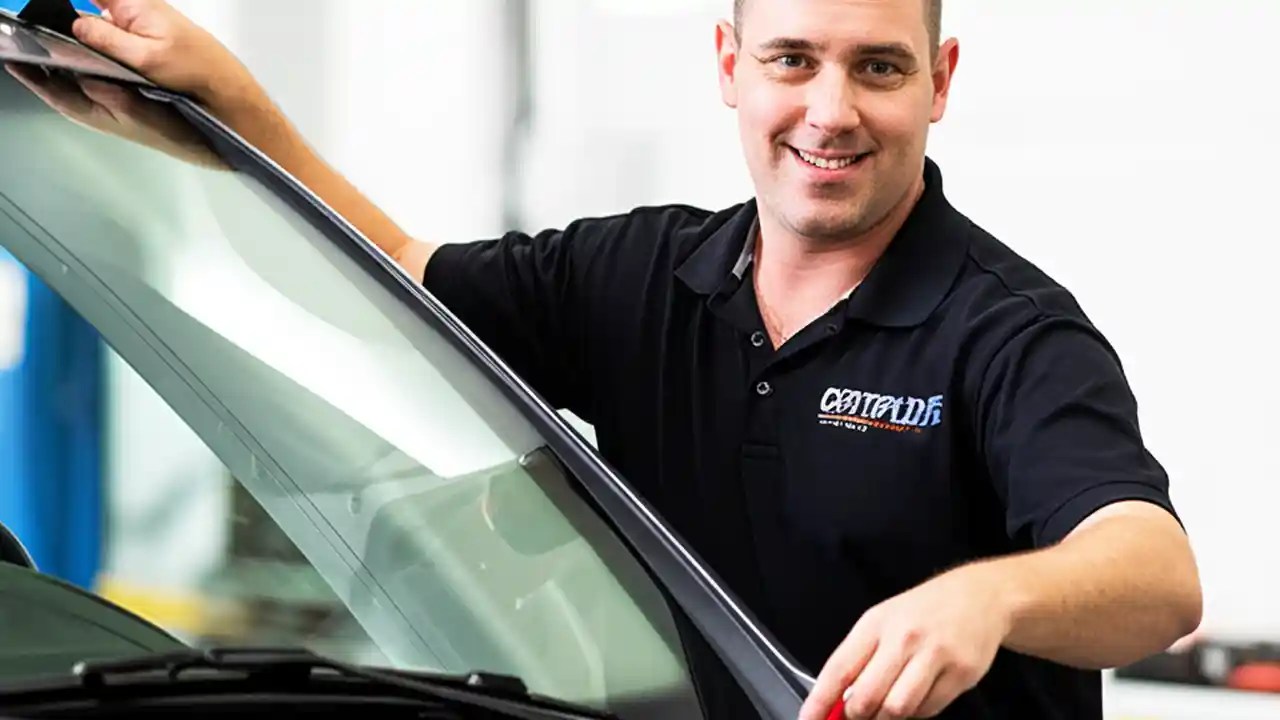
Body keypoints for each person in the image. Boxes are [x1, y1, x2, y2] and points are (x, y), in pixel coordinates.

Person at [63, 0, 1204, 718]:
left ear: (939, 81)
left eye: (878, 69)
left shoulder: (1008, 332)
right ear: (729, 63)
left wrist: (987, 599)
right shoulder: (640, 275)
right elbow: (395, 280)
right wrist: (226, 114)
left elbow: (1154, 580)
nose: (830, 110)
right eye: (792, 60)